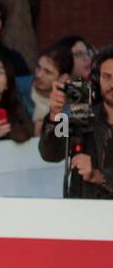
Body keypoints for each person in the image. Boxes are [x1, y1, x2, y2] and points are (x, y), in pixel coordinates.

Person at [39, 45, 113, 199]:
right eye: (107, 77)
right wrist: (56, 115)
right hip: (83, 214)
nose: (112, 84)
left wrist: (99, 176)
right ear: (97, 79)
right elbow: (52, 153)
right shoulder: (84, 112)